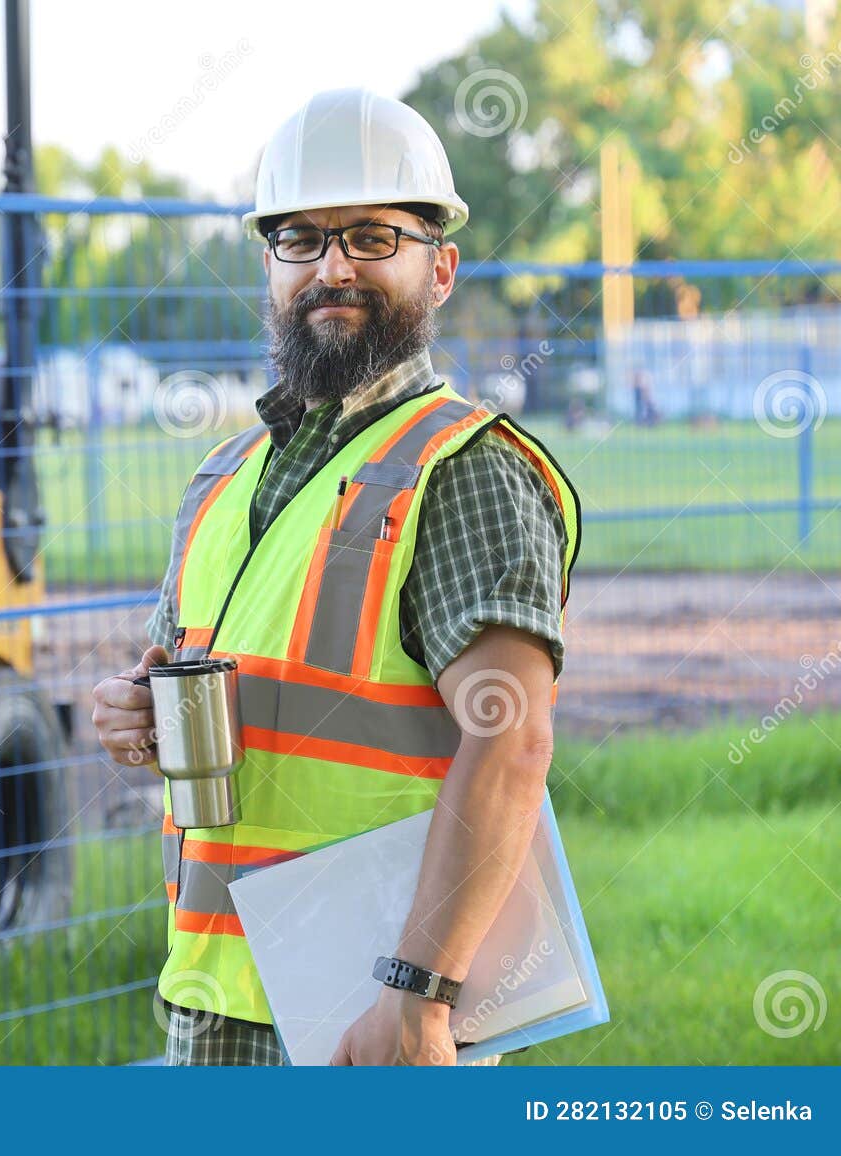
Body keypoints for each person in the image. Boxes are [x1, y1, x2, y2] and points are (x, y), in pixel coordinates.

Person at [90, 88, 582, 1066]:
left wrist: (420, 993)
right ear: (268, 266)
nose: (331, 267)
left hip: (374, 1010)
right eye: (300, 239)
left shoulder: (465, 467)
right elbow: (214, 688)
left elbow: (512, 743)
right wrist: (134, 716)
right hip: (218, 990)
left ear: (438, 268)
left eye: (370, 236)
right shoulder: (224, 478)